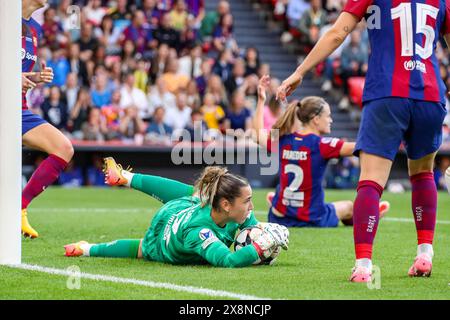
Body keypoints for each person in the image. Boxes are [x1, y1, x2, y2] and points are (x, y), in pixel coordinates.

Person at [276, 0, 450, 281]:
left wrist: (300, 71)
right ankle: (424, 254)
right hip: (429, 94)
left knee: (370, 181)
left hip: (387, 92)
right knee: (422, 173)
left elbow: (337, 33)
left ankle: (364, 267)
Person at [64, 158, 289, 268]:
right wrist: (261, 246)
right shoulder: (199, 232)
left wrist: (261, 230)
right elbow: (228, 261)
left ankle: (125, 177)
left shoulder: (231, 210)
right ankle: (86, 249)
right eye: (248, 201)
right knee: (143, 249)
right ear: (227, 205)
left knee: (197, 195)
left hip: (188, 209)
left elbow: (251, 225)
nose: (252, 207)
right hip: (164, 234)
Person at [254, 76, 389, 229]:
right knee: (348, 206)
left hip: (280, 217)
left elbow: (259, 135)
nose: (331, 120)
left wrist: (260, 100)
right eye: (328, 116)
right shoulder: (322, 145)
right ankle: (368, 214)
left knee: (285, 198)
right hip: (312, 218)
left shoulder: (284, 140)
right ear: (316, 119)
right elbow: (360, 147)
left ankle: (282, 200)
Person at [21, 0, 74, 238]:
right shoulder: (5, 22)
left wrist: (37, 77)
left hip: (18, 108)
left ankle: (19, 208)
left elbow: (21, 74)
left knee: (64, 148)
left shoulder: (34, 28)